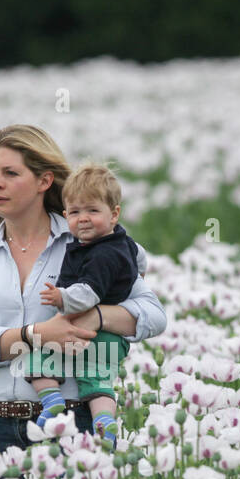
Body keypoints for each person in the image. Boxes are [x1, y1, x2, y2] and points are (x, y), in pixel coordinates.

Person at [0, 125, 167, 455]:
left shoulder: (93, 243)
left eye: (10, 173)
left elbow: (153, 316)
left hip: (72, 421)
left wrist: (95, 316)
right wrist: (37, 333)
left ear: (44, 181)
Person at [24, 161, 146, 447]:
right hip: (111, 338)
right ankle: (105, 422)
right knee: (96, 381)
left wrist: (62, 298)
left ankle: (51, 402)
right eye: (76, 213)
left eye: (93, 211)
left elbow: (88, 292)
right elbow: (140, 257)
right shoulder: (123, 242)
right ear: (66, 215)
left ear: (114, 214)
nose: (84, 219)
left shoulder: (100, 255)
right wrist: (138, 273)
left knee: (37, 358)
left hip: (81, 328)